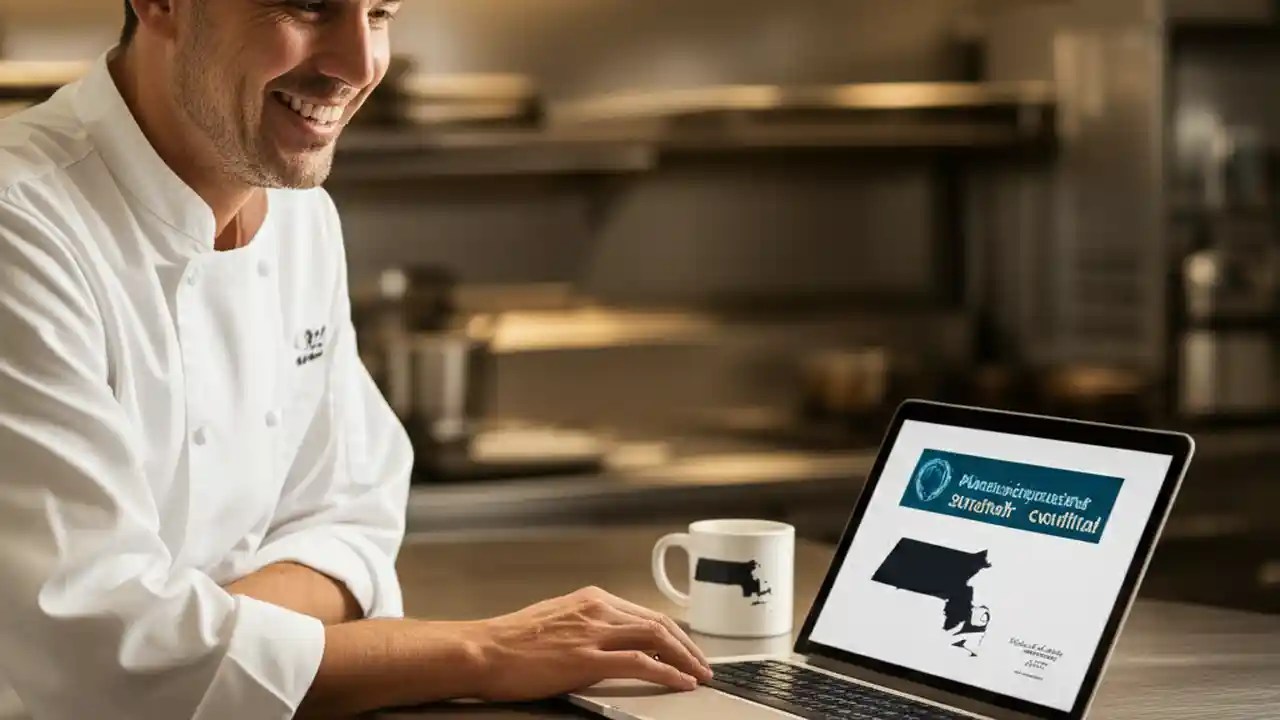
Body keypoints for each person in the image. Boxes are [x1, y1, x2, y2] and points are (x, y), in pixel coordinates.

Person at [0, 2, 713, 718]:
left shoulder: (301, 218)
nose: (361, 63)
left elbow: (355, 522)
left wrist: (193, 641)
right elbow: (100, 657)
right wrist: (485, 651)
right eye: (309, 5)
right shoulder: (21, 223)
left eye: (378, 12)